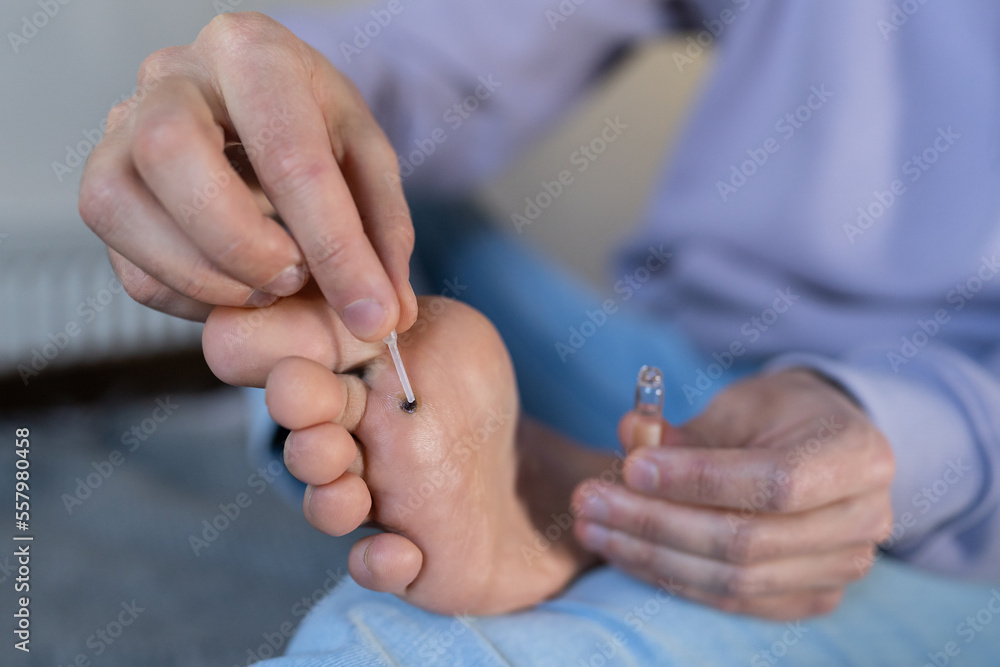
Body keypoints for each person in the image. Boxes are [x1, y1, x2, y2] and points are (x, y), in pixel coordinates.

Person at [78, 0, 1000, 663]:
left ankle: (586, 520)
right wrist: (258, 115)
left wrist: (913, 443)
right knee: (334, 197)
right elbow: (444, 34)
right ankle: (589, 490)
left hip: (949, 488)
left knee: (410, 651)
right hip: (667, 373)